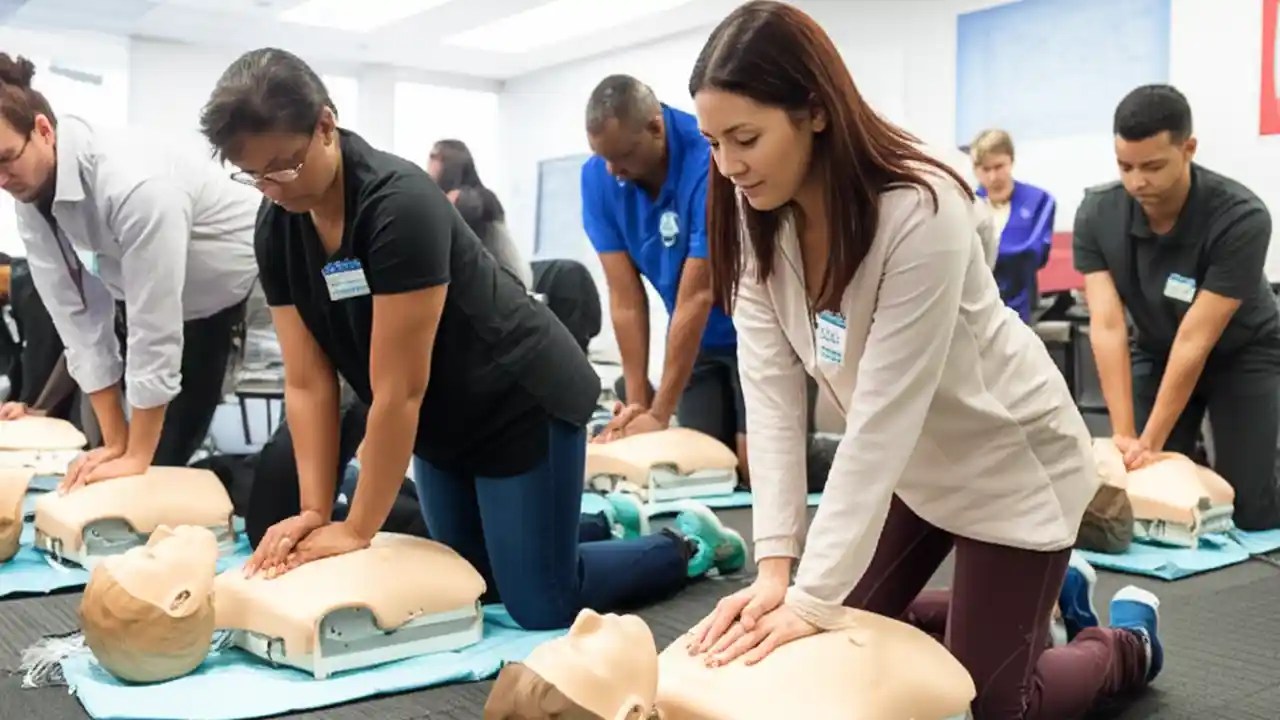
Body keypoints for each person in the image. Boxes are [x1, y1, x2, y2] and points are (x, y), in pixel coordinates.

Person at [682, 3, 1163, 719]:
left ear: (814, 110)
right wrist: (777, 567)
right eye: (714, 143)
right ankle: (1028, 605)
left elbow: (881, 417)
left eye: (745, 138)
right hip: (913, 470)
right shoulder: (755, 218)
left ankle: (1126, 643)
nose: (728, 166)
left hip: (1009, 466)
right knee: (824, 648)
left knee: (997, 706)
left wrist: (813, 596)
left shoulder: (920, 207)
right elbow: (773, 396)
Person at [197, 48, 746, 630]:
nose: (273, 189)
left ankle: (685, 545)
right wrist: (314, 510)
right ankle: (602, 523)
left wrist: (354, 528)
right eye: (253, 175)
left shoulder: (396, 205)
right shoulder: (278, 223)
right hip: (440, 417)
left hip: (518, 399)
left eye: (284, 166)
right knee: (471, 582)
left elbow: (398, 390)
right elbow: (308, 383)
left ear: (326, 126)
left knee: (541, 603)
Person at [0, 54, 259, 490]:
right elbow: (78, 320)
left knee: (159, 463)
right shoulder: (30, 191)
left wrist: (137, 455)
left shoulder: (134, 184)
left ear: (44, 130)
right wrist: (115, 445)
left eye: (6, 158)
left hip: (239, 289)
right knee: (113, 461)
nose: (2, 180)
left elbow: (152, 330)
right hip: (165, 302)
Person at [1073, 84, 1280, 532]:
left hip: (1242, 353)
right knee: (1141, 482)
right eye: (1125, 166)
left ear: (1188, 149)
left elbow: (1197, 338)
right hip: (1157, 346)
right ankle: (1190, 456)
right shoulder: (1096, 214)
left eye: (1152, 166)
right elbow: (1107, 326)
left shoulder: (1242, 217)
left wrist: (1151, 440)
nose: (1137, 181)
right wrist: (1127, 439)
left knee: (1250, 509)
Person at [581, 75, 748, 483]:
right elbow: (625, 298)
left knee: (754, 469)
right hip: (697, 346)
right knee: (702, 468)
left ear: (656, 128)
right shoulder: (599, 178)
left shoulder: (709, 160)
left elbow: (699, 293)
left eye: (622, 156)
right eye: (604, 158)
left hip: (757, 333)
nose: (614, 171)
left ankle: (842, 455)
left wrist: (660, 413)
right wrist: (637, 405)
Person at [969, 129, 1056, 323]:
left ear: (1011, 160)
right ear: (975, 169)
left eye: (999, 166)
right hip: (975, 311)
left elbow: (1031, 254)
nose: (993, 177)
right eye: (985, 169)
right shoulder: (967, 204)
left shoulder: (1040, 201)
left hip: (1020, 310)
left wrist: (982, 257)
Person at [427, 139, 532, 287]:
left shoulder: (478, 198)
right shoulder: (471, 197)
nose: (428, 164)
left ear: (449, 163)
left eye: (433, 157)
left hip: (506, 284)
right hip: (491, 283)